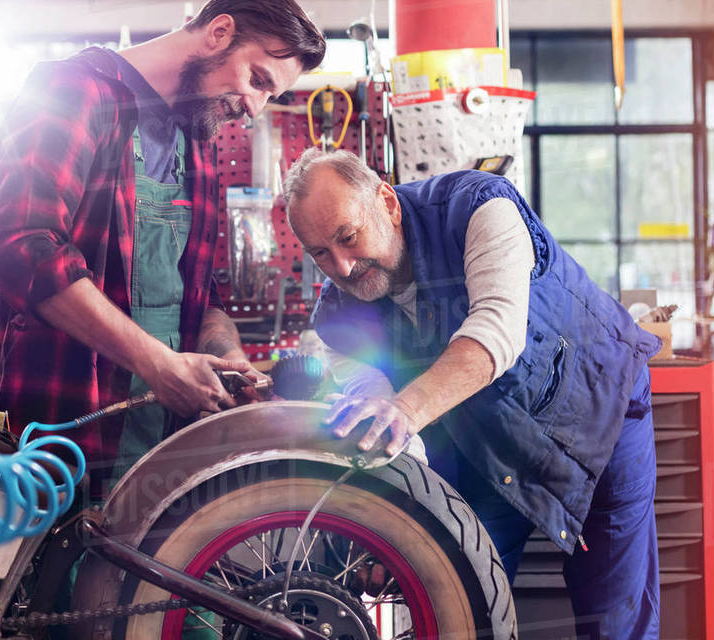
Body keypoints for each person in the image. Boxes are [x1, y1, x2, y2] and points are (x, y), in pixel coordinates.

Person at [282, 148, 662, 639]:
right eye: (320, 253)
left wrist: (404, 408)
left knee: (614, 617)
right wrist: (393, 518)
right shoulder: (338, 320)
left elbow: (496, 332)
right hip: (486, 441)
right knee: (457, 602)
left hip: (599, 410)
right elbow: (390, 426)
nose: (343, 266)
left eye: (347, 237)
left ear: (387, 202)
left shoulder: (480, 209)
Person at [0, 0, 326, 493]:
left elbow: (200, 293)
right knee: (52, 573)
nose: (253, 107)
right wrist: (157, 365)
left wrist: (229, 358)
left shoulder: (198, 136)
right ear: (219, 33)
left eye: (268, 95)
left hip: (163, 445)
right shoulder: (75, 90)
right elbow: (22, 248)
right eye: (257, 79)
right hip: (65, 434)